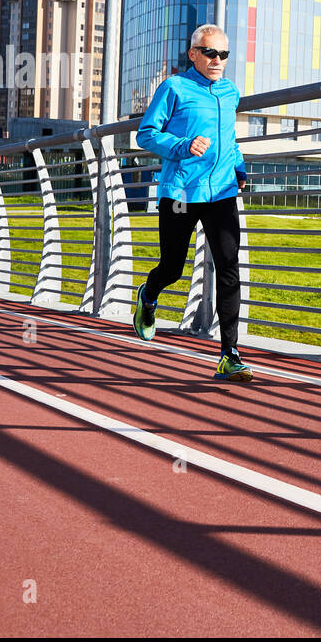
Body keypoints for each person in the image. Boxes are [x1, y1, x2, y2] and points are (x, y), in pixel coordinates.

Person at [131, 23, 253, 382]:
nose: (217, 60)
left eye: (224, 55)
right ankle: (148, 294)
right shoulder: (174, 87)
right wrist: (183, 146)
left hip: (222, 193)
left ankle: (229, 354)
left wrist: (239, 168)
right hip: (182, 193)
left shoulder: (231, 92)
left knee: (229, 268)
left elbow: (228, 139)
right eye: (210, 53)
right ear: (193, 54)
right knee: (172, 267)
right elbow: (146, 134)